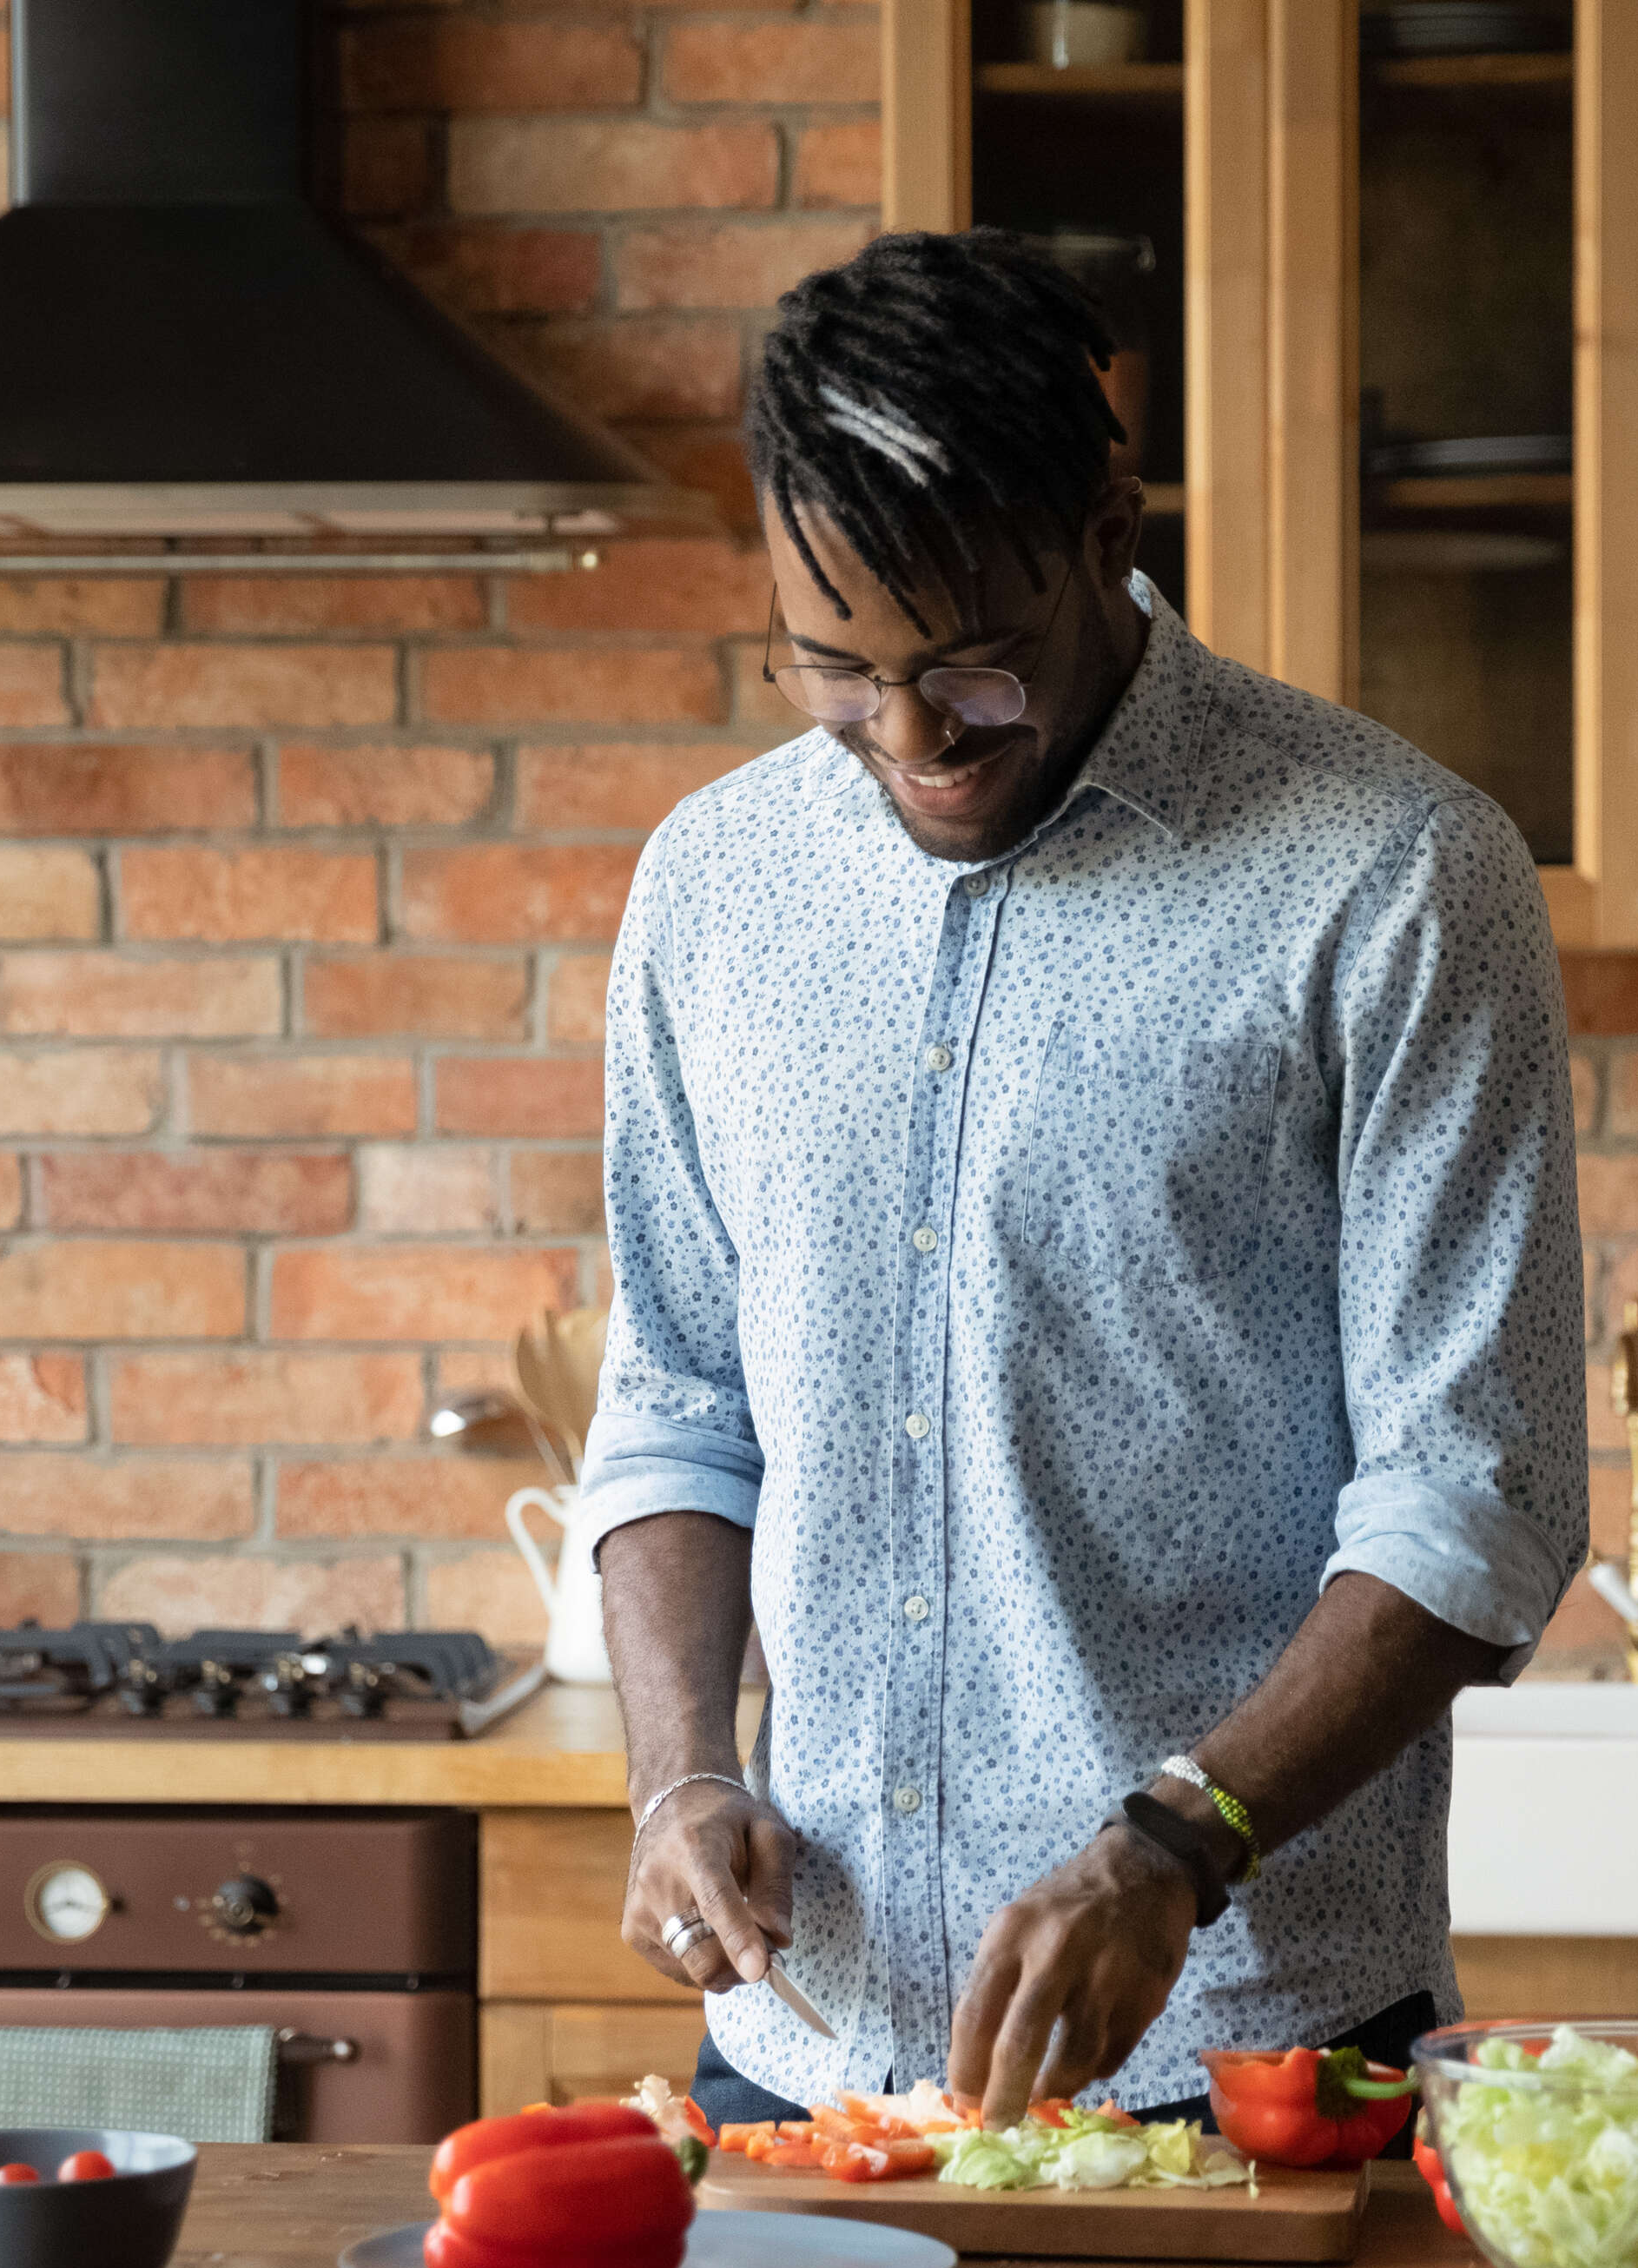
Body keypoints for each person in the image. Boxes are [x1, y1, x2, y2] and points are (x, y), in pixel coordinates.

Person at [576, 229, 1585, 2133]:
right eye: (832, 669)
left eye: (970, 666)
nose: (908, 741)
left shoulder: (1389, 879)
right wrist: (679, 1777)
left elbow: (1481, 1496)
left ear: (1109, 513)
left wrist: (1179, 1842)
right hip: (809, 2053)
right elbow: (678, 1406)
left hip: (1244, 2051)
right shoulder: (712, 892)